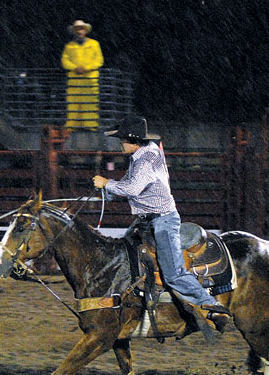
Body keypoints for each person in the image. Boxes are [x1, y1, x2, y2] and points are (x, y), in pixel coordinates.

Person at [92, 116, 230, 340]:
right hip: (147, 220)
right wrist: (108, 188)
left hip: (162, 221)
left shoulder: (145, 160)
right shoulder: (144, 153)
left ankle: (211, 305)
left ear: (132, 140)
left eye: (122, 140)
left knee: (174, 273)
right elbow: (130, 183)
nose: (120, 144)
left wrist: (107, 183)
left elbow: (133, 188)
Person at [61, 20, 104, 131]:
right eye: (77, 29)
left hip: (90, 82)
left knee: (90, 105)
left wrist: (86, 68)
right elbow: (64, 61)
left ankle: (90, 129)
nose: (79, 31)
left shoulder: (94, 44)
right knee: (73, 106)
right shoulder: (69, 46)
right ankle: (71, 129)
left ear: (85, 31)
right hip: (74, 83)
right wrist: (75, 68)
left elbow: (99, 60)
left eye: (81, 29)